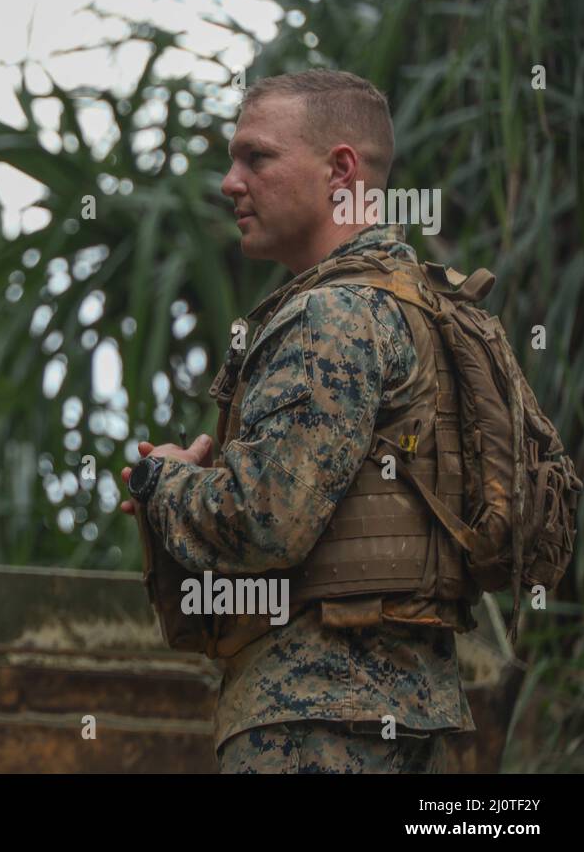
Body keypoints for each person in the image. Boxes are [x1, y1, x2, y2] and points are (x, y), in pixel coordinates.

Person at [122, 70, 477, 773]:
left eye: (257, 157)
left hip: (315, 716)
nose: (230, 182)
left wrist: (160, 480)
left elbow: (267, 520)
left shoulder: (330, 316)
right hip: (409, 709)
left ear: (339, 170)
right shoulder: (426, 306)